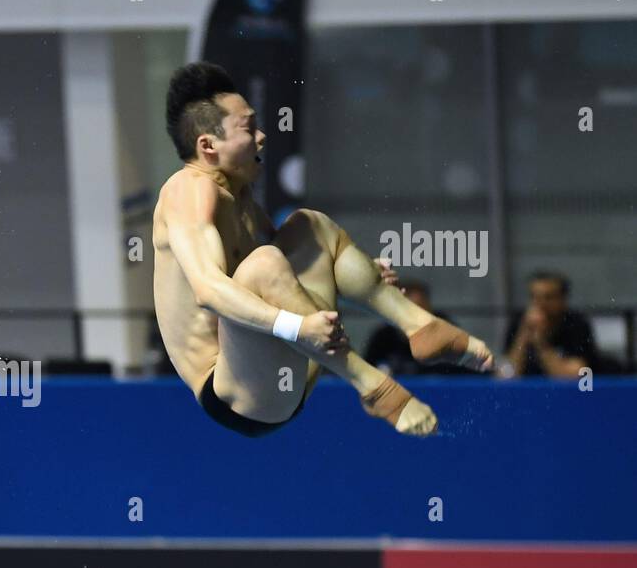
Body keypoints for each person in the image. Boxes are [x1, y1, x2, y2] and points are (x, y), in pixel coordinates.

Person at [153, 62, 494, 438]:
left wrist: (358, 277)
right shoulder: (187, 190)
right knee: (265, 261)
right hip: (238, 395)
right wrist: (298, 328)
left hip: (285, 370)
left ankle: (420, 325)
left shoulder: (241, 196)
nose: (263, 137)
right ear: (208, 146)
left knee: (309, 225)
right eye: (249, 129)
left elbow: (285, 287)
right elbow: (208, 290)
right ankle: (373, 386)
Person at [363, 279, 470, 376]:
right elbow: (364, 379)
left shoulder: (450, 337)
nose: (413, 319)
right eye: (407, 312)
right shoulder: (382, 340)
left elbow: (475, 382)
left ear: (430, 312)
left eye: (419, 312)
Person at [502, 272, 597, 378]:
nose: (540, 304)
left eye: (548, 297)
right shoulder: (520, 322)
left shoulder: (576, 324)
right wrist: (524, 334)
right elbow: (505, 376)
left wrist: (541, 343)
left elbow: (574, 377)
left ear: (562, 299)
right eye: (534, 297)